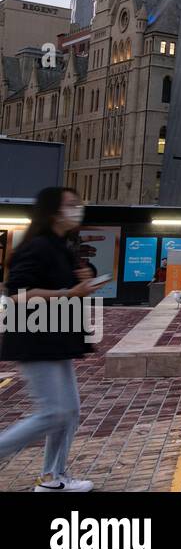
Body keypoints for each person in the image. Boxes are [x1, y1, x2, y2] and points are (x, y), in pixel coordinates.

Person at [0, 187, 96, 491]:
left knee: (69, 412)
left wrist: (80, 284)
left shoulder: (60, 247)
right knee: (54, 412)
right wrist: (70, 292)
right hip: (34, 338)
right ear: (53, 212)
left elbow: (63, 289)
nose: (77, 209)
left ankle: (52, 478)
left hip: (55, 339)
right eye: (71, 204)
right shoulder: (38, 246)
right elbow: (17, 294)